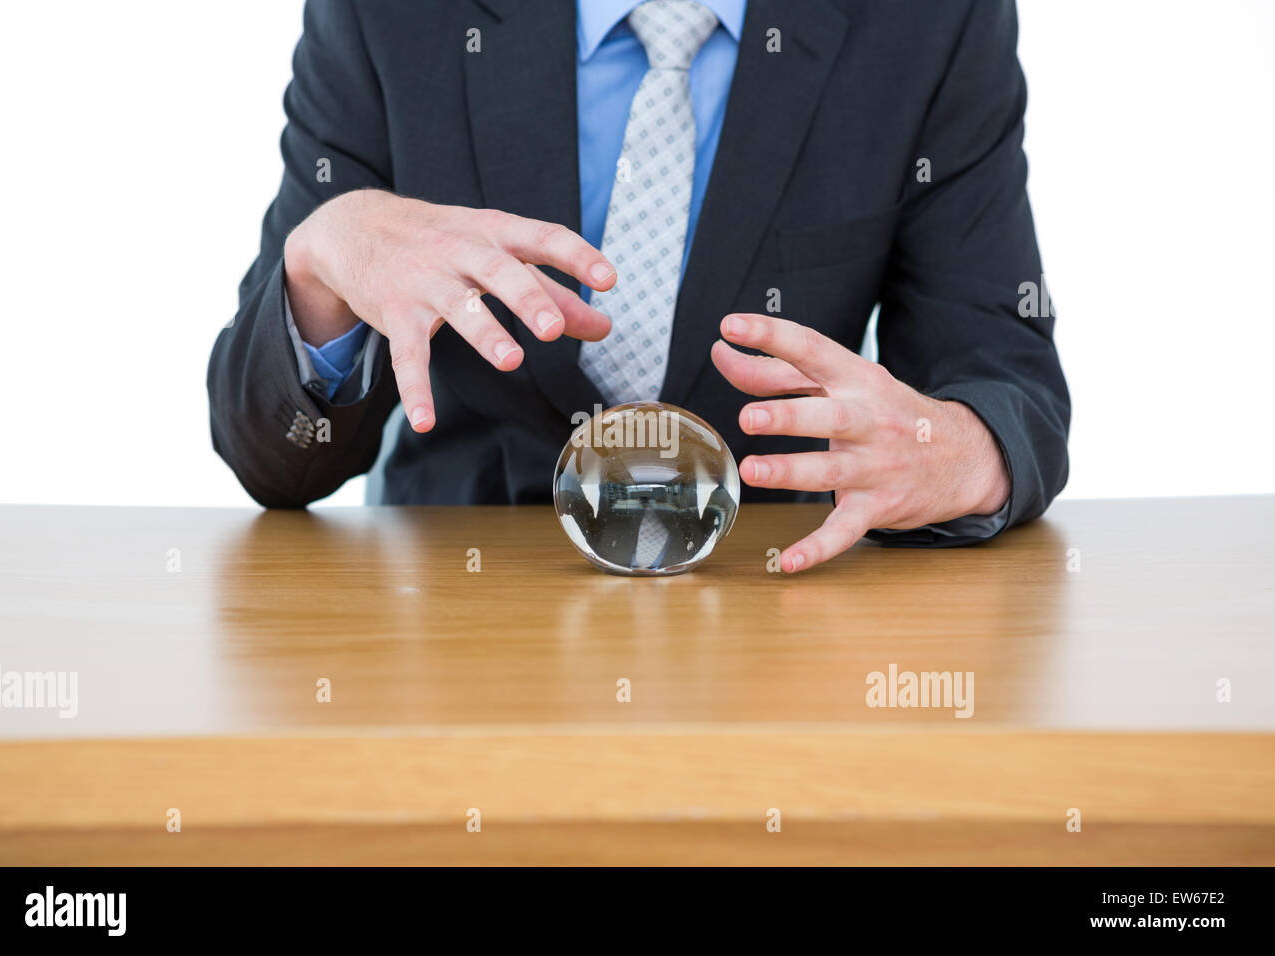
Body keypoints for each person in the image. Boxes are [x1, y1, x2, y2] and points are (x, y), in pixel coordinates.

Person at [208, 0, 1069, 573]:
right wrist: (320, 268)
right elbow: (273, 458)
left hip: (780, 613)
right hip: (456, 610)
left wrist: (961, 450)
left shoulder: (929, 20)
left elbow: (1005, 376)